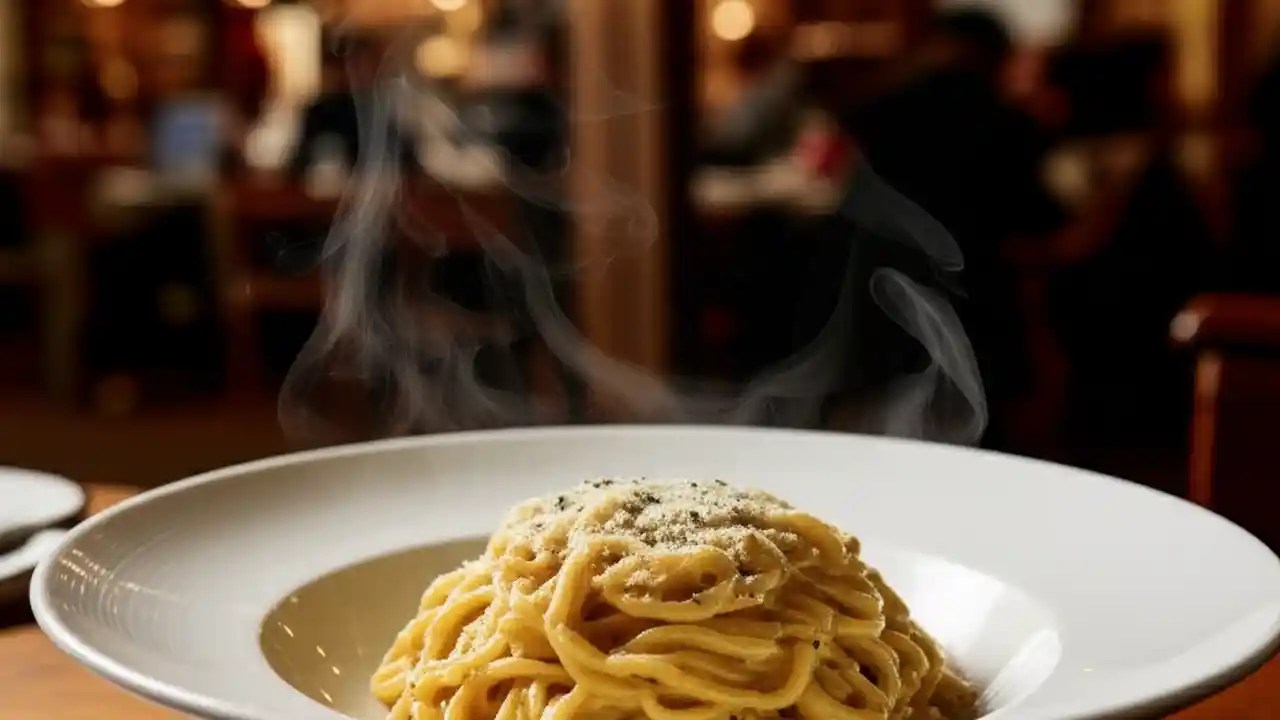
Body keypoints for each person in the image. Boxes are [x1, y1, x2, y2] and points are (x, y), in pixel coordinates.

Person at [841, 8, 1065, 449]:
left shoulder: (879, 105)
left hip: (879, 287)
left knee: (885, 428)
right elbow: (1035, 219)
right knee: (982, 429)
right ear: (991, 56)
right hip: (974, 293)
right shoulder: (1001, 117)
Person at [287, 33, 418, 181]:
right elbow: (299, 162)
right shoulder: (322, 111)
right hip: (330, 194)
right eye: (356, 65)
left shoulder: (388, 109)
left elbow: (407, 162)